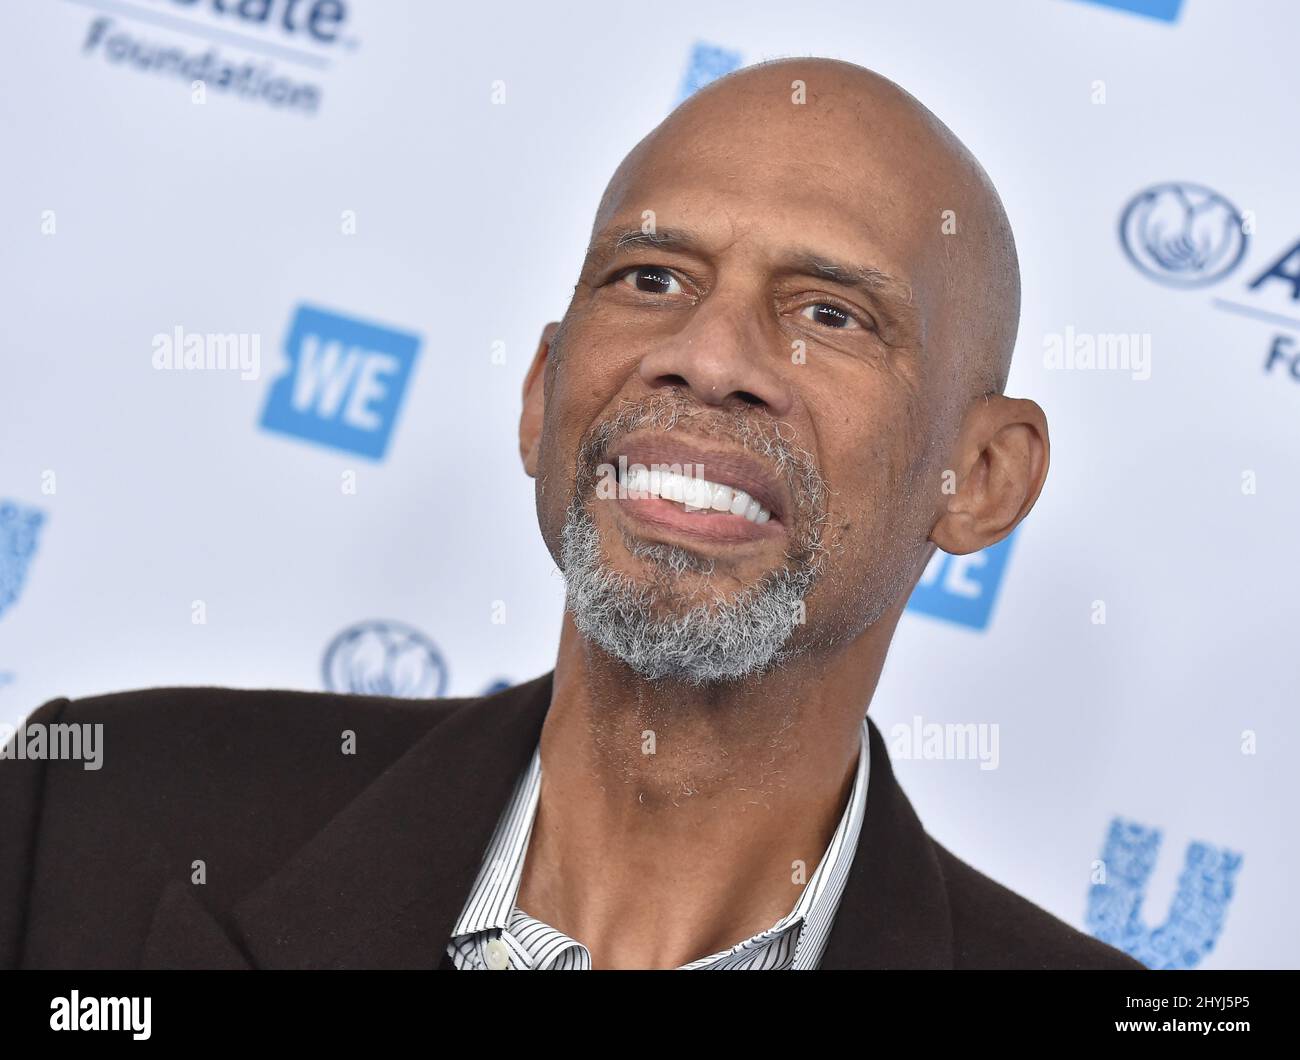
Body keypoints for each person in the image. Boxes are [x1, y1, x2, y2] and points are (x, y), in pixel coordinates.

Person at [0, 56, 1143, 970]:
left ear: (983, 475)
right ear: (543, 395)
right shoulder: (96, 815)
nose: (705, 355)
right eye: (650, 279)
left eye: (832, 313)